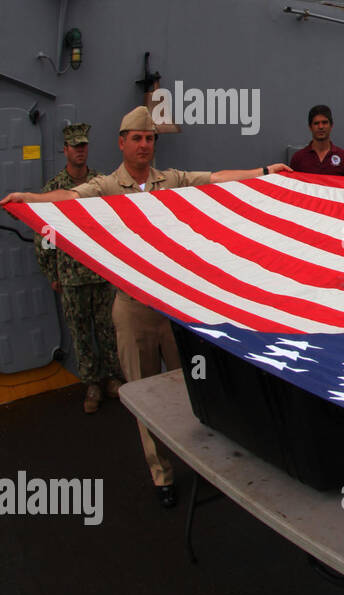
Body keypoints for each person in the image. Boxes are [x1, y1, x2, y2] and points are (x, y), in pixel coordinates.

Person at [3, 107, 291, 508]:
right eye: (136, 138)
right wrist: (31, 198)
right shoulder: (106, 186)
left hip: (171, 311)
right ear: (122, 143)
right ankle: (162, 474)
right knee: (145, 399)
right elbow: (67, 198)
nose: (144, 145)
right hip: (132, 311)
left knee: (185, 392)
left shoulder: (168, 181)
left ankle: (197, 465)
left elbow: (212, 178)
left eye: (150, 138)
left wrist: (263, 171)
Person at [33, 123, 123, 413]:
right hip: (71, 277)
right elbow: (45, 235)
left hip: (101, 273)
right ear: (65, 150)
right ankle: (92, 385)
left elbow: (114, 226)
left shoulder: (102, 184)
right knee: (81, 333)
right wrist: (52, 273)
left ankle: (112, 378)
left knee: (107, 330)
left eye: (84, 145)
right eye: (75, 146)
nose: (80, 151)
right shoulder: (54, 189)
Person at [289, 104, 344, 176]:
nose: (321, 127)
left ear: (331, 125)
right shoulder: (298, 158)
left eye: (324, 122)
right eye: (316, 123)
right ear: (310, 127)